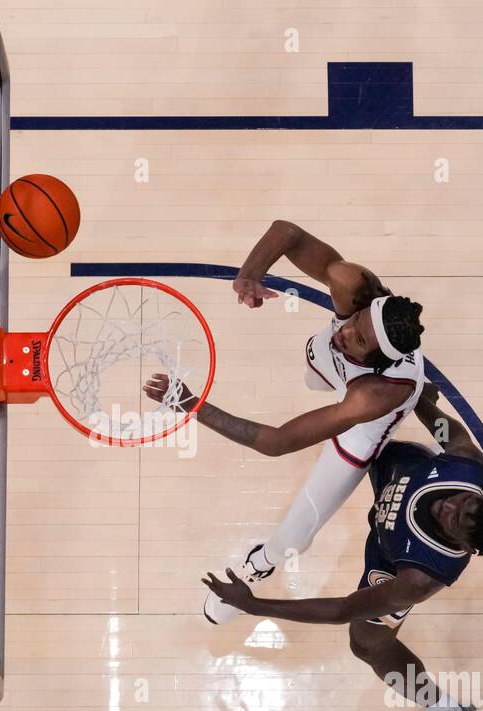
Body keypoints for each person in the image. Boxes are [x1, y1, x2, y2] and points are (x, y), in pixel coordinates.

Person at [201, 383, 483, 711]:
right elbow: (448, 433)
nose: (449, 508)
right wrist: (420, 400)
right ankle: (268, 556)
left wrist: (255, 606)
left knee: (367, 643)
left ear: (466, 546)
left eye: (457, 522)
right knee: (364, 430)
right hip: (388, 472)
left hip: (390, 560)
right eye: (462, 502)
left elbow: (343, 610)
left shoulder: (422, 576)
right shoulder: (469, 467)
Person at [143, 220, 426, 625]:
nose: (345, 332)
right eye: (354, 322)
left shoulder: (376, 395)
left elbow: (276, 442)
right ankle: (330, 371)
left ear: (380, 361)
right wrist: (249, 275)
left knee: (298, 533)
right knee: (315, 362)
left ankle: (262, 561)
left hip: (363, 431)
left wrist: (190, 404)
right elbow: (287, 232)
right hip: (341, 371)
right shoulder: (356, 286)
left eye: (359, 340)